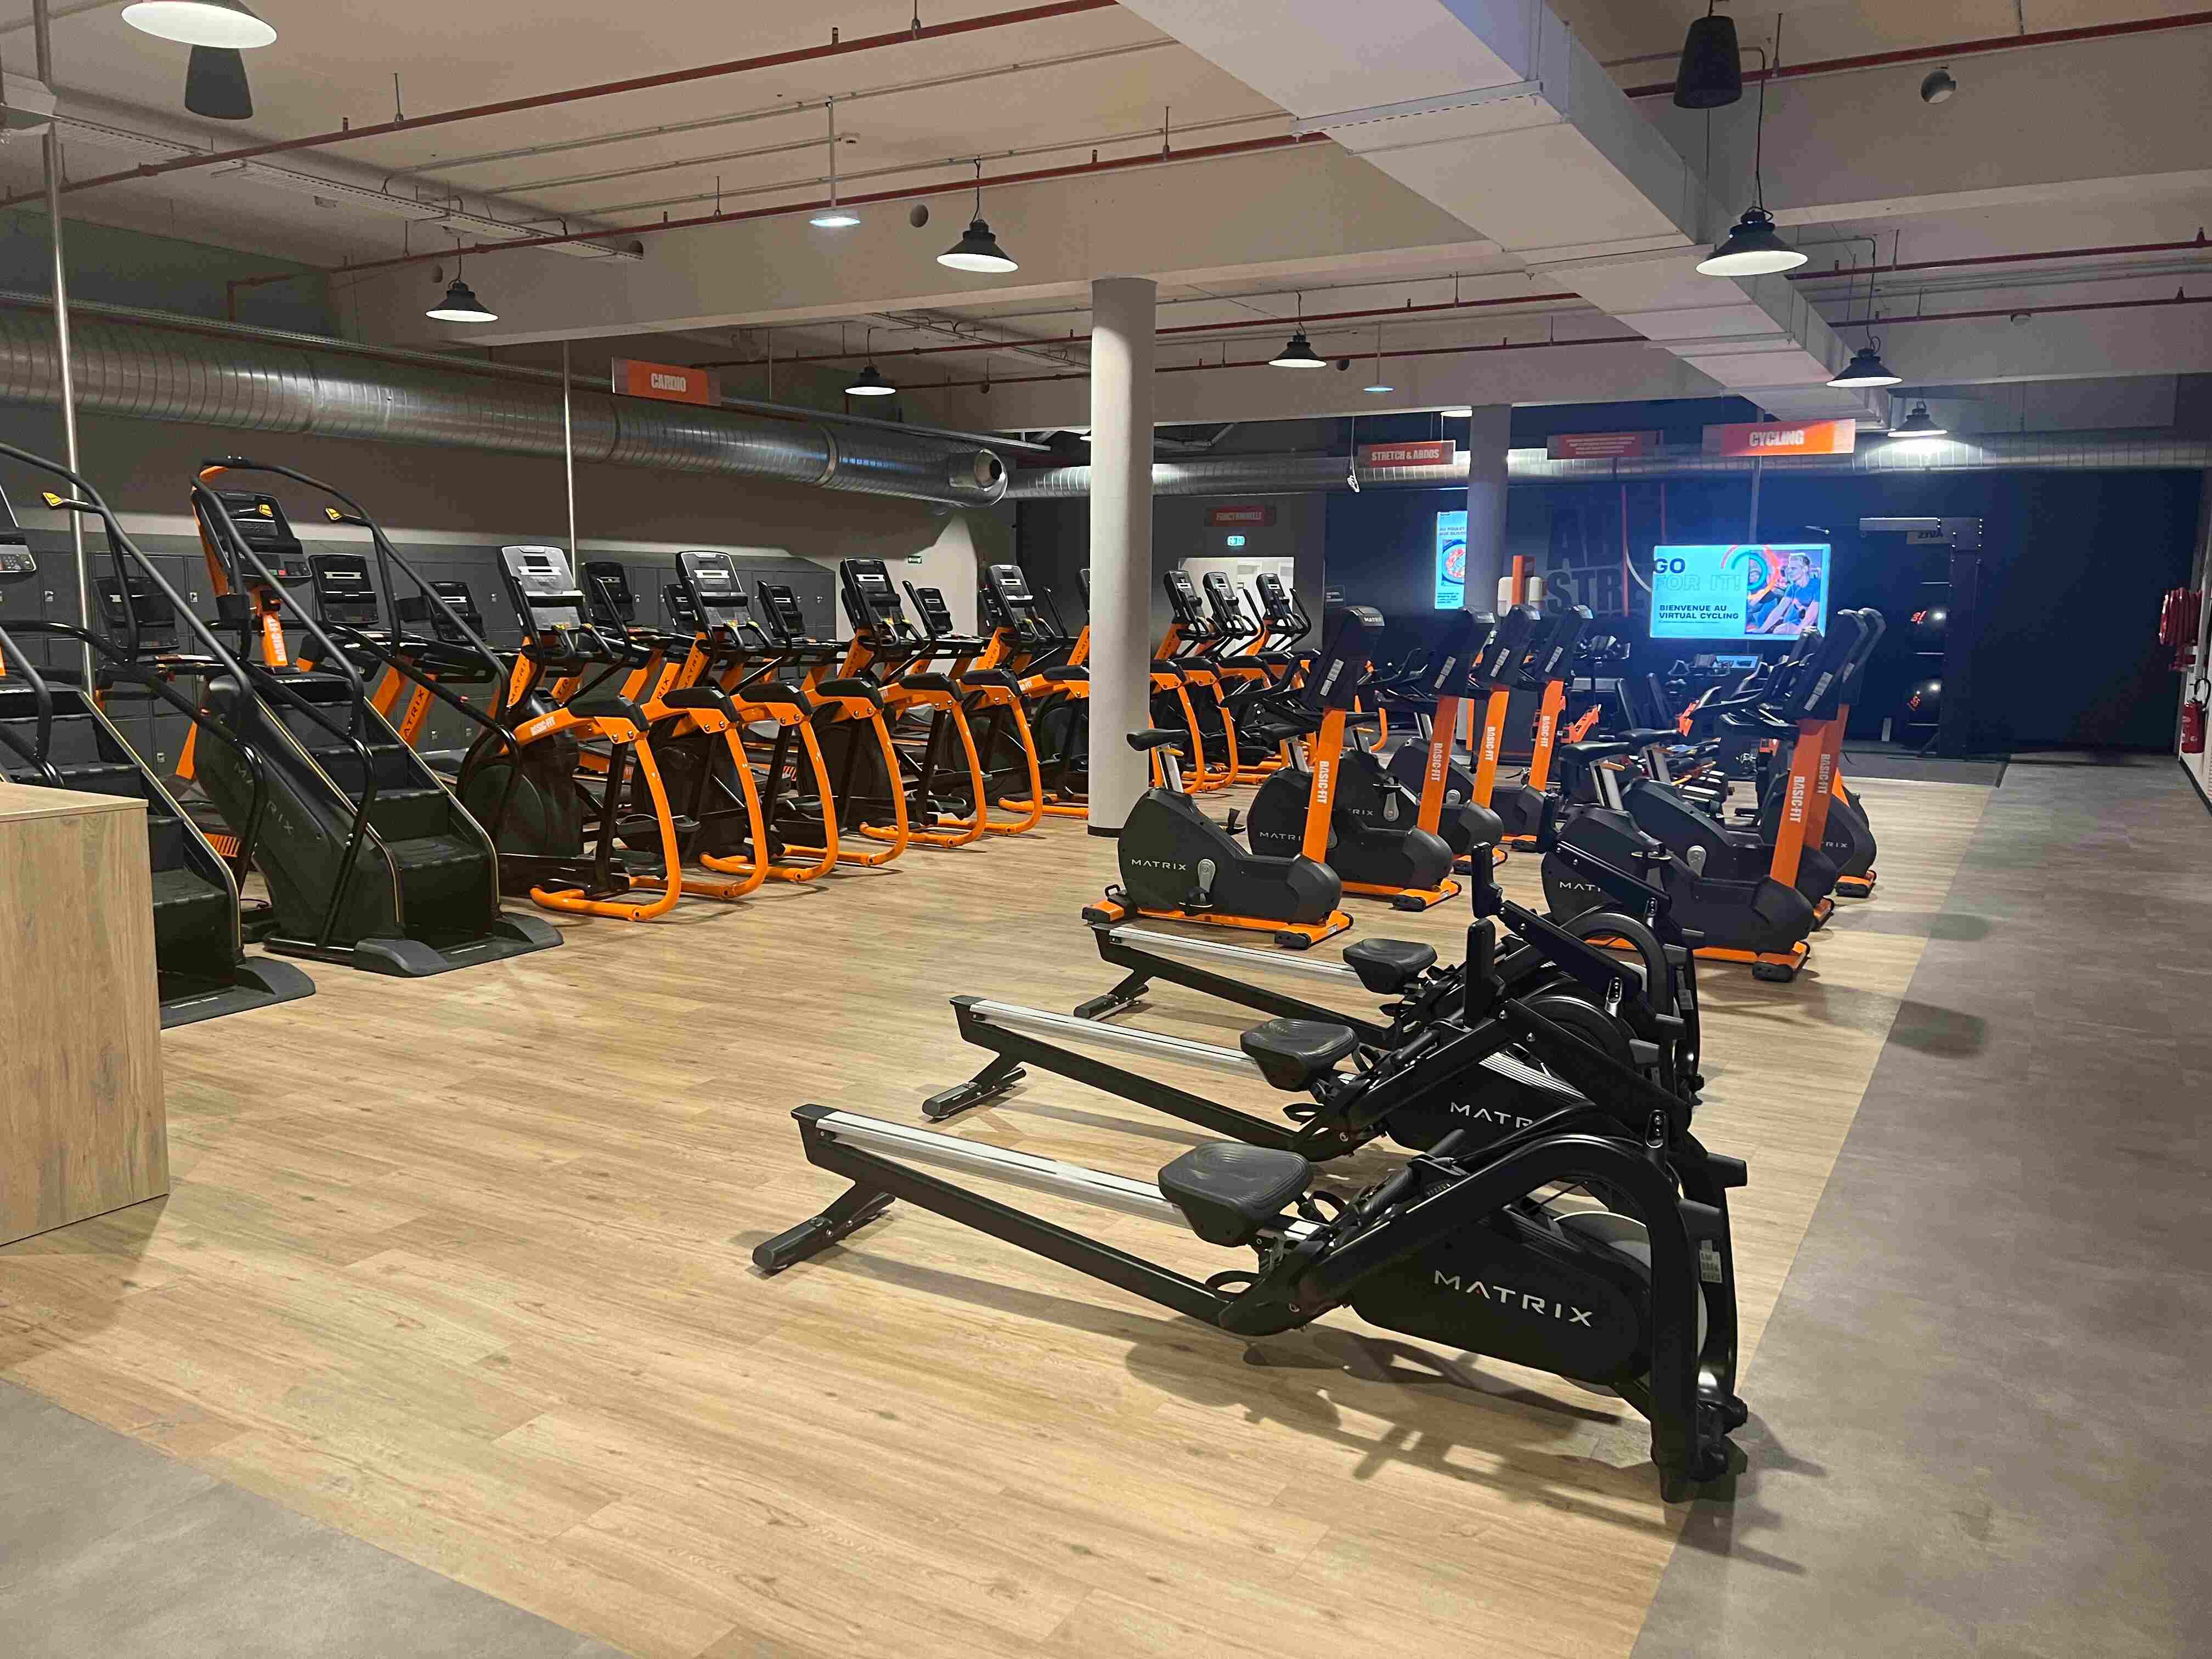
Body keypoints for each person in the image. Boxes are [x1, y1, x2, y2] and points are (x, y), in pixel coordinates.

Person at [1753, 549, 1822, 635]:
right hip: (1802, 621)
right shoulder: (1792, 588)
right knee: (1779, 631)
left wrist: (1797, 635)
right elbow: (1779, 609)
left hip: (1818, 624)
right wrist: (1762, 630)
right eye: (1789, 568)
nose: (1789, 571)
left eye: (1794, 569)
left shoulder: (1817, 585)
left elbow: (1812, 615)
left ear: (1805, 569)